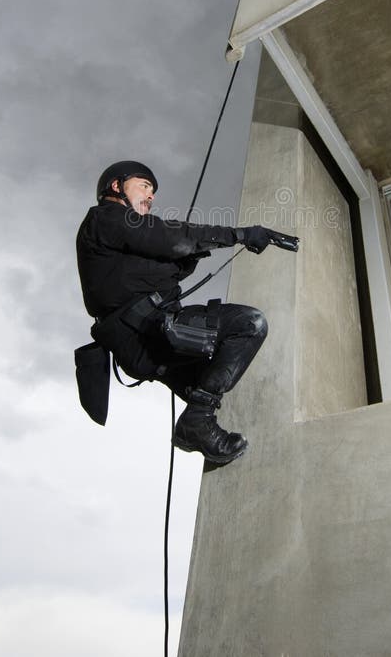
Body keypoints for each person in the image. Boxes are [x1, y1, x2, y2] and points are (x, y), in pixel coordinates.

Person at [76, 160, 298, 466]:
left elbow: (154, 271)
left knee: (208, 385)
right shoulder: (105, 217)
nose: (151, 195)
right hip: (147, 334)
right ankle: (196, 422)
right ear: (116, 186)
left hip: (147, 344)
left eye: (153, 191)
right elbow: (172, 239)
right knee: (248, 324)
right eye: (144, 185)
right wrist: (241, 234)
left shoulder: (116, 242)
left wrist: (190, 256)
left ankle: (201, 431)